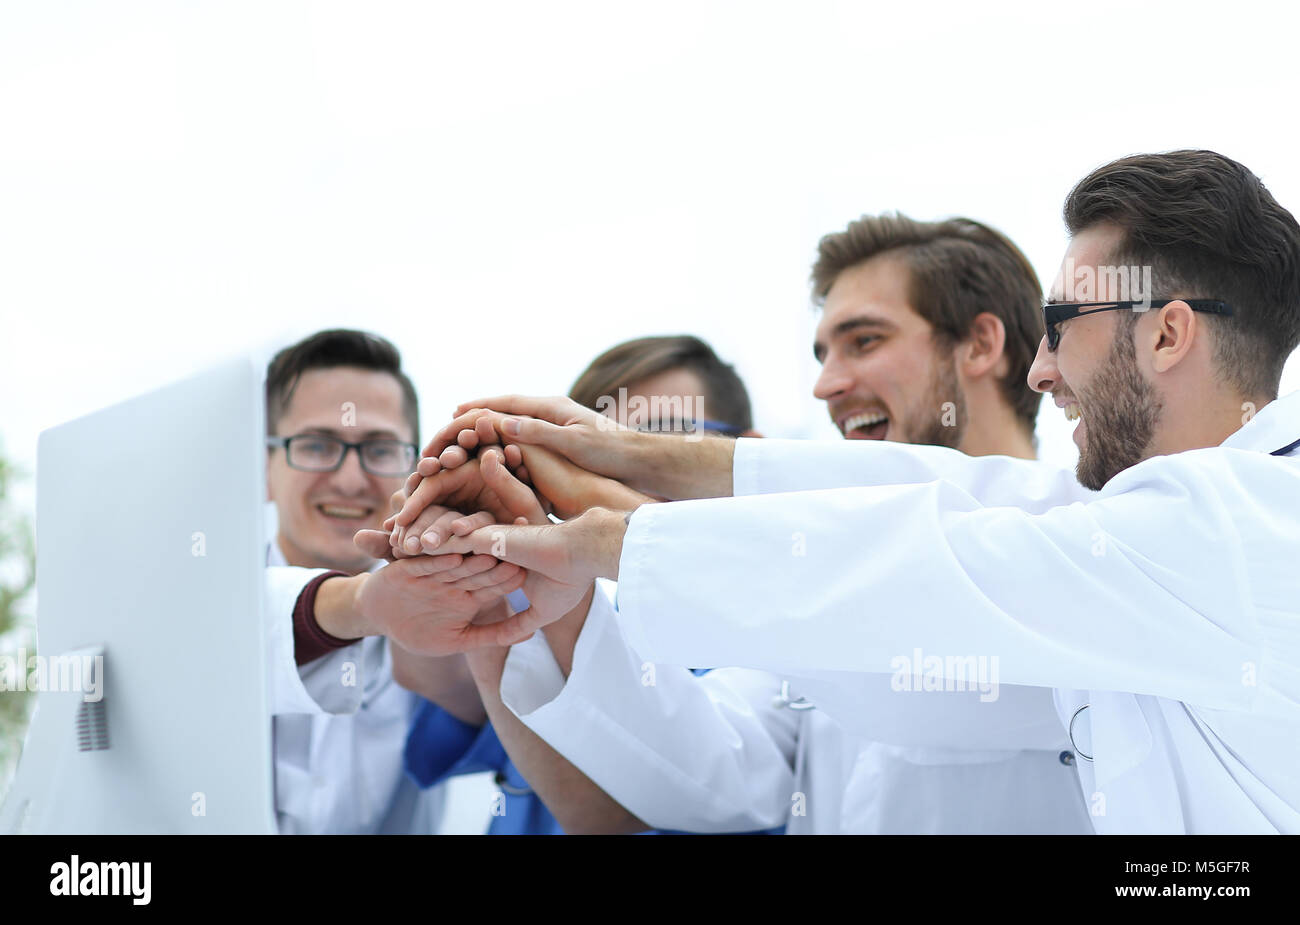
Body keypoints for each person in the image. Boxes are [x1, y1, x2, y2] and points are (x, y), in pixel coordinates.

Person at [421, 150, 1300, 833]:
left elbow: (928, 560)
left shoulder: (1237, 528)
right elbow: (942, 516)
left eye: (1062, 326)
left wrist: (599, 525)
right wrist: (620, 475)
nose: (1044, 369)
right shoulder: (1122, 537)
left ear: (1168, 334)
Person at [392, 218, 1095, 833]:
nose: (826, 384)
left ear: (980, 345)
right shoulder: (794, 583)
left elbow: (904, 588)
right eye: (822, 354)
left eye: (864, 340)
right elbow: (713, 771)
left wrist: (597, 499)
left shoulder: (1091, 541)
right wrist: (540, 586)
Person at [396, 334, 765, 834]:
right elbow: (432, 680)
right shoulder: (545, 610)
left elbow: (625, 814)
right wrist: (452, 558)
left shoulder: (779, 652)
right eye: (592, 457)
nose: (618, 478)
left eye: (662, 446)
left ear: (752, 458)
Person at [262, 329, 524, 834]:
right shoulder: (188, 609)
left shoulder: (459, 603)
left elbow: (498, 732)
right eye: (317, 445)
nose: (350, 480)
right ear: (264, 467)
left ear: (416, 466)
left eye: (380, 450)